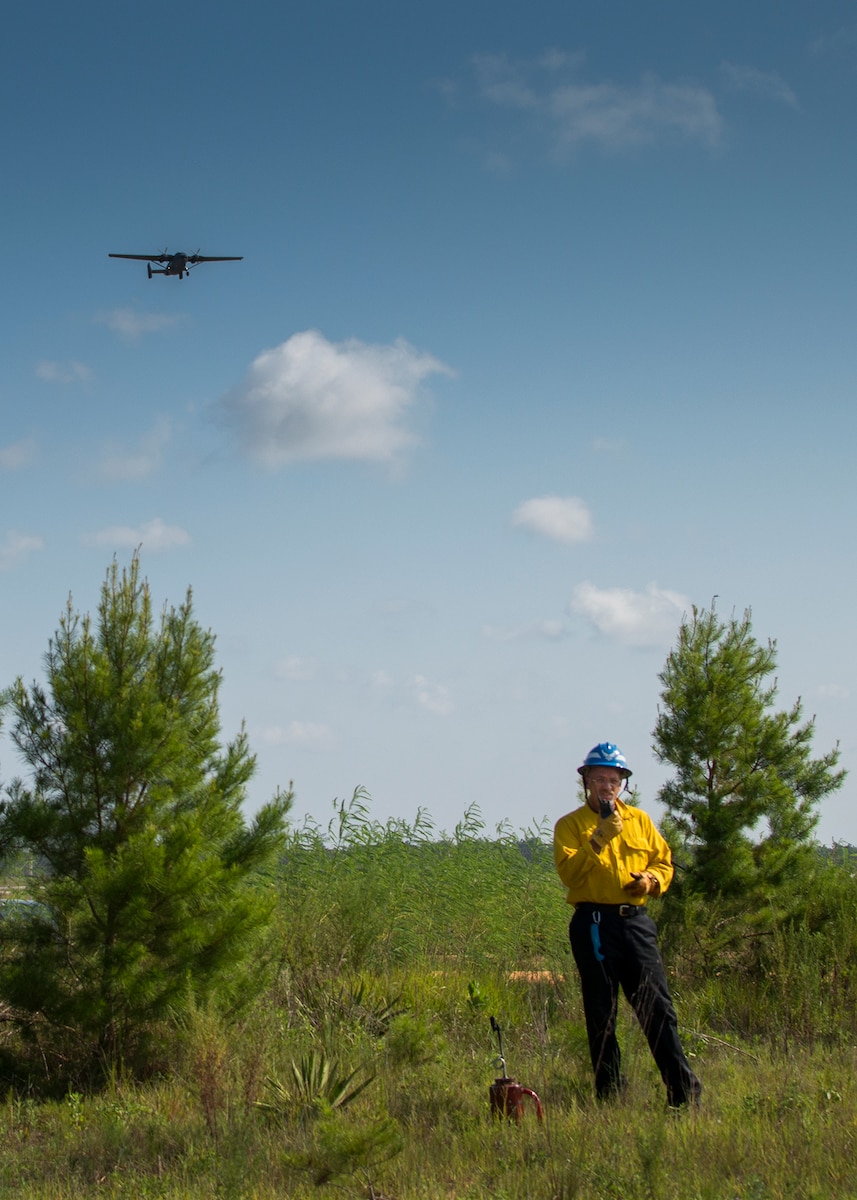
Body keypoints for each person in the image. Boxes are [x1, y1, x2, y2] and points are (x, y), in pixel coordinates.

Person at [553, 741, 701, 1108]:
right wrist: (601, 836)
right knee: (602, 1014)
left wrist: (649, 881)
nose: (607, 786)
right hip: (593, 924)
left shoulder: (641, 821)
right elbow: (569, 876)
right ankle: (610, 1098)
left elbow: (664, 862)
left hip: (635, 924)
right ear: (586, 781)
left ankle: (683, 1096)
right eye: (599, 778)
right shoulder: (570, 826)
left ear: (623, 784)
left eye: (614, 780)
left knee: (658, 1009)